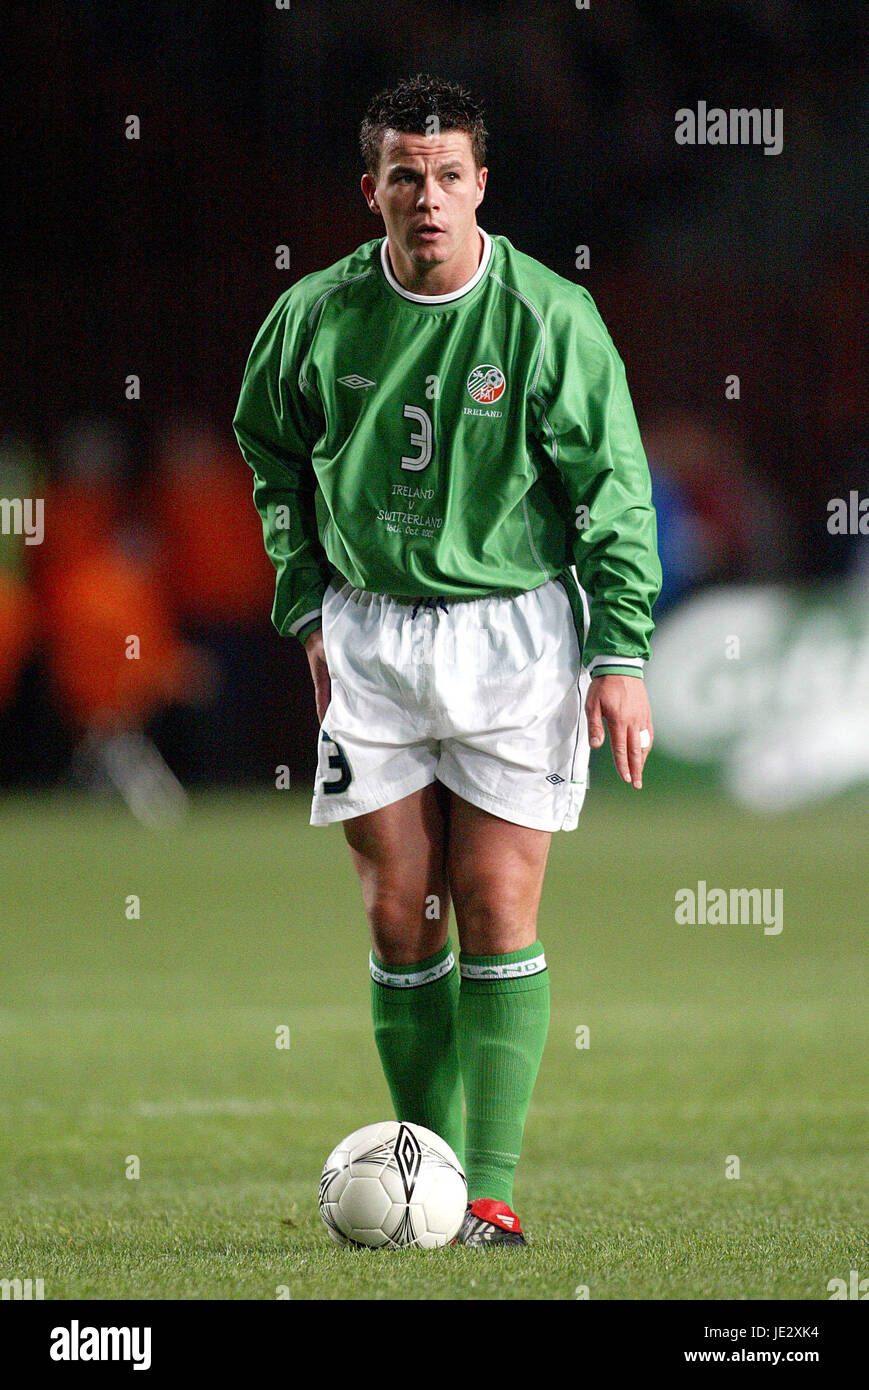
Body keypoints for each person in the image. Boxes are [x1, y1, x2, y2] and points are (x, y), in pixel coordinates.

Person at [234, 74, 661, 1246]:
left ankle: (490, 1193)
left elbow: (612, 492)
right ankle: (425, 1178)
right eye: (406, 177)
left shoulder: (546, 317)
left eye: (450, 175)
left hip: (513, 631)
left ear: (483, 185)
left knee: (495, 899)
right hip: (370, 632)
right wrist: (307, 607)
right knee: (399, 915)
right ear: (369, 187)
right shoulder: (316, 316)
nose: (429, 198)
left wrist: (618, 651)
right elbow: (268, 453)